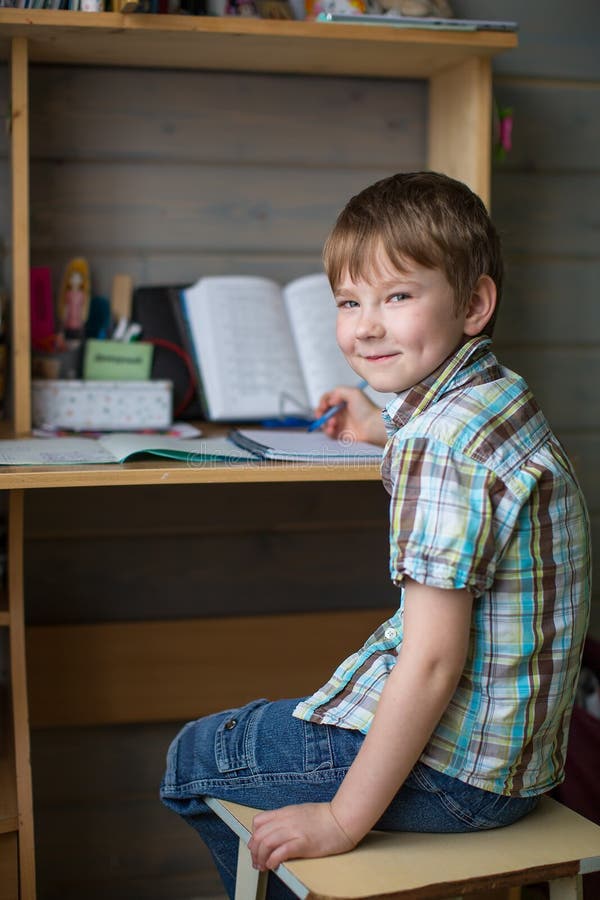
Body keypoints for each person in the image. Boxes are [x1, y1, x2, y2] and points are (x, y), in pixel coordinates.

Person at [160, 172, 591, 898]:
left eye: (397, 297)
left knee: (195, 758)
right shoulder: (492, 399)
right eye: (350, 302)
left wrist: (340, 820)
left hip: (459, 775)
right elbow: (448, 442)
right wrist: (374, 421)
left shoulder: (442, 446)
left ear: (475, 303)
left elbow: (428, 663)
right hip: (520, 755)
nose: (365, 326)